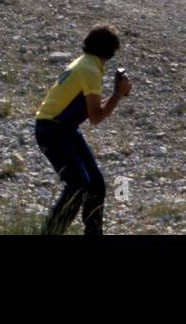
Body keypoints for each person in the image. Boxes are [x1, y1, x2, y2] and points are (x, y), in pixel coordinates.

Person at [34, 25, 131, 236]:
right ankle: (50, 231)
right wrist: (117, 95)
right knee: (78, 184)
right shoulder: (91, 71)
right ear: (110, 51)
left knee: (95, 184)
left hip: (61, 129)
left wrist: (117, 94)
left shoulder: (84, 63)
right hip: (53, 130)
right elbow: (96, 117)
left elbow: (91, 109)